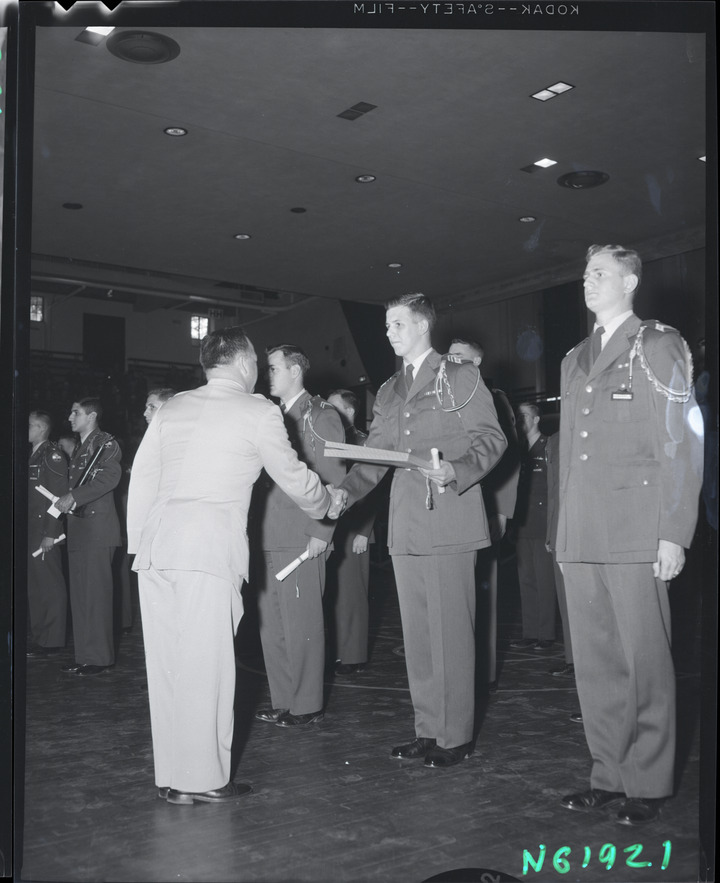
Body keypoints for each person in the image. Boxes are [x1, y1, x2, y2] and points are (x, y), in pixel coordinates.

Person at [126, 327, 338, 805]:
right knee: (210, 668)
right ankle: (206, 779)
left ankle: (175, 777)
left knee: (169, 670)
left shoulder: (174, 406)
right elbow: (294, 476)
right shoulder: (258, 411)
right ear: (244, 365)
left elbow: (142, 478)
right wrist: (327, 503)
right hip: (206, 552)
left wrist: (139, 545)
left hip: (157, 550)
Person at [556, 244, 703, 826]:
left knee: (644, 659)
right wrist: (563, 539)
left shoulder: (659, 344)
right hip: (584, 532)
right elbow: (570, 456)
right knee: (595, 663)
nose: (588, 282)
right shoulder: (574, 358)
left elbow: (681, 444)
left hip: (637, 530)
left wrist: (674, 532)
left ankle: (649, 781)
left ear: (631, 281)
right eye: (585, 273)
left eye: (600, 273)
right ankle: (609, 774)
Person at [333, 293, 507, 767]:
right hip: (407, 524)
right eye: (386, 325)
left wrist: (458, 470)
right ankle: (428, 730)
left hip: (450, 517)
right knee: (419, 637)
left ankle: (456, 736)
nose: (389, 333)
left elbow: (492, 439)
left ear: (423, 326)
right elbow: (377, 454)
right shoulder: (390, 389)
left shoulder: (458, 375)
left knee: (451, 632)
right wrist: (345, 493)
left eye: (397, 324)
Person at [251, 345, 346, 727]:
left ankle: (306, 703)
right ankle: (283, 698)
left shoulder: (320, 416)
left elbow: (335, 478)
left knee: (302, 623)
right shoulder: (269, 417)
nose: (267, 374)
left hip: (301, 535)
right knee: (273, 625)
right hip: (268, 534)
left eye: (273, 368)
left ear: (294, 370)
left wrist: (323, 530)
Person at [447, 338, 519, 689]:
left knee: (482, 593)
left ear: (476, 363)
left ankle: (481, 674)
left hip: (483, 505)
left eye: (460, 357)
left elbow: (509, 455)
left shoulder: (494, 397)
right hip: (451, 504)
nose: (452, 362)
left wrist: (502, 511)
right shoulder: (443, 396)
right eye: (449, 356)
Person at [54, 398, 122, 677]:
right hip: (80, 529)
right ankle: (85, 655)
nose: (70, 417)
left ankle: (100, 658)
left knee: (96, 597)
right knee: (81, 598)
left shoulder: (105, 444)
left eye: (76, 412)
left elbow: (109, 478)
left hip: (97, 529)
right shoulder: (83, 447)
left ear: (92, 415)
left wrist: (75, 496)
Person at [326, 389, 377, 675]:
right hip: (334, 526)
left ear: (350, 411)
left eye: (335, 408)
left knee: (353, 594)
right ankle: (338, 651)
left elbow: (373, 491)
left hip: (356, 528)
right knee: (336, 593)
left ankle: (354, 655)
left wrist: (363, 531)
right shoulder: (333, 440)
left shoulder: (363, 441)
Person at [511, 402, 557, 651]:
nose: (520, 420)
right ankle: (530, 632)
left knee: (544, 579)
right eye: (518, 417)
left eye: (525, 416)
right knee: (526, 579)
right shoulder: (518, 449)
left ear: (537, 419)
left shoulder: (549, 445)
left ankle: (546, 634)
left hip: (542, 523)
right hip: (522, 523)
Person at [26, 411, 69, 657]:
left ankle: (51, 640)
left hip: (45, 530)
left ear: (42, 428)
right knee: (36, 585)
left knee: (50, 584)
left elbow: (59, 498)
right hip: (31, 529)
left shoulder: (52, 455)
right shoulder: (33, 454)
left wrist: (51, 533)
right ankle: (41, 636)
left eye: (30, 425)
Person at [544, 432, 574, 678]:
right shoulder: (554, 440)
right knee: (566, 603)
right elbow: (552, 489)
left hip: (592, 530)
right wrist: (549, 532)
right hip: (560, 531)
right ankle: (573, 660)